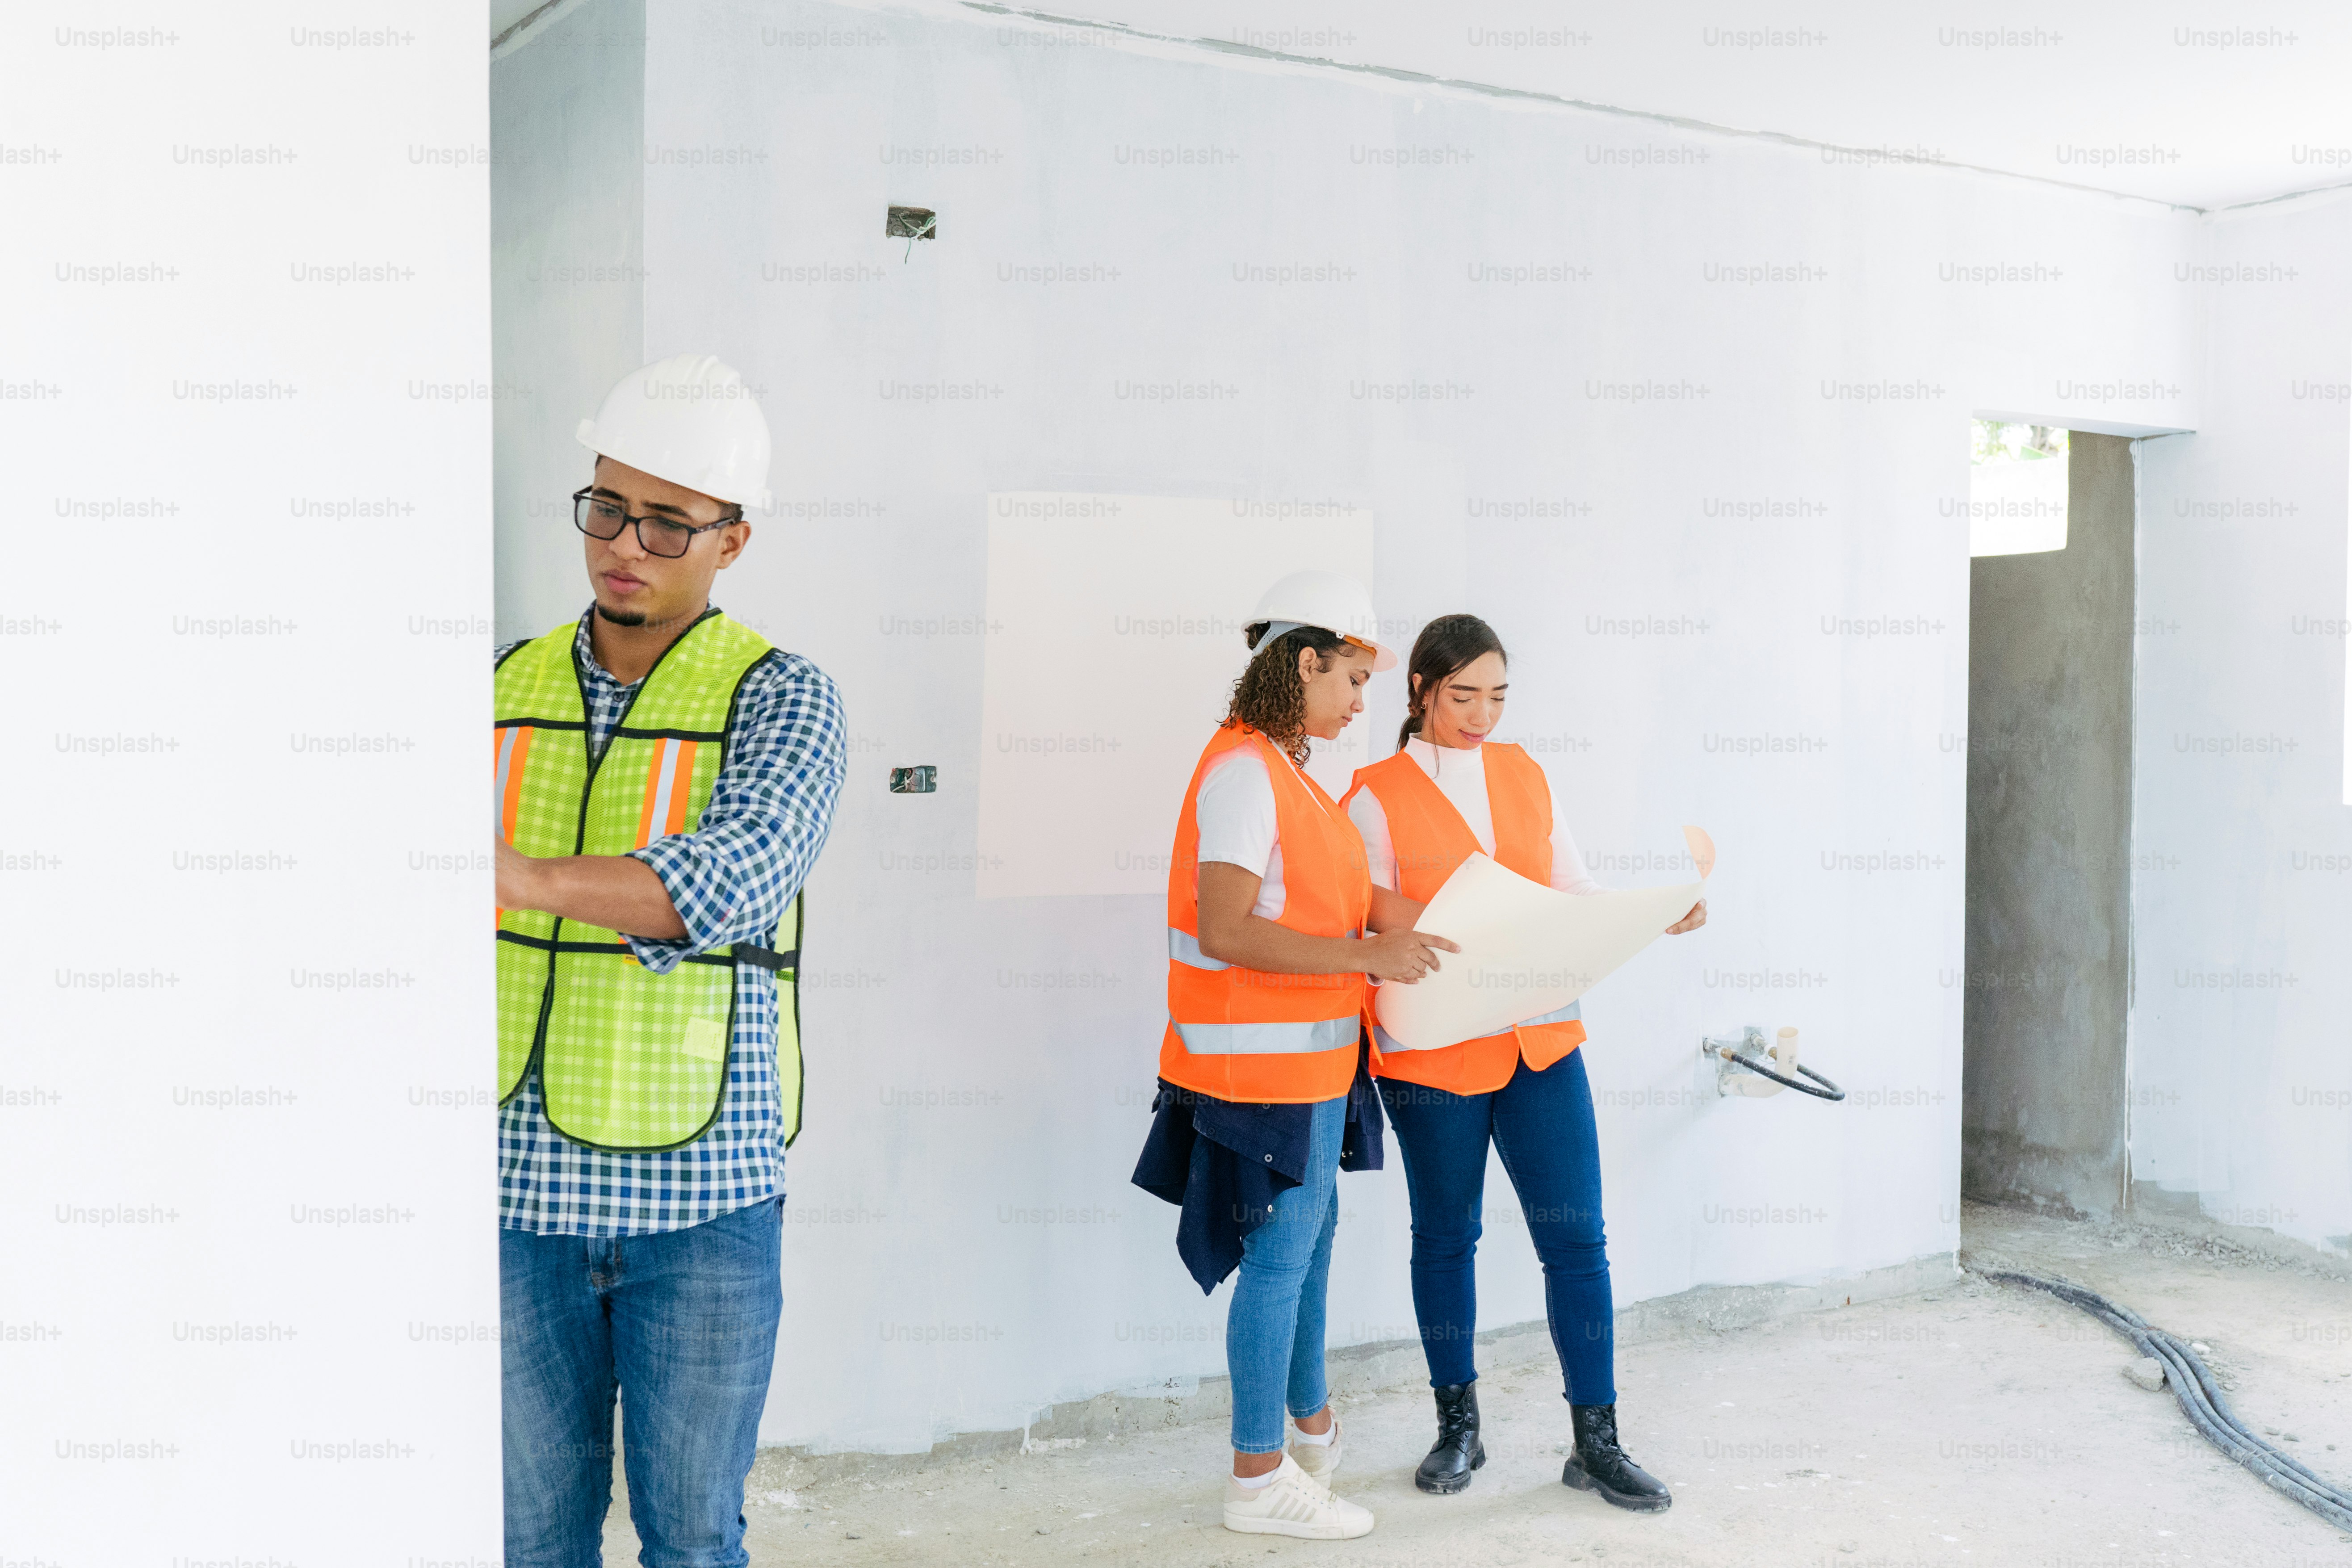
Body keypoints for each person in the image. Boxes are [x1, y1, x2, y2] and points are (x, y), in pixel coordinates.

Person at [491, 354, 847, 1565]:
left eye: (664, 520)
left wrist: (520, 875)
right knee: (530, 1536)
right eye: (606, 507)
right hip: (509, 1191)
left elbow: (741, 871)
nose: (622, 543)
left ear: (731, 540)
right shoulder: (499, 686)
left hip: (698, 1197)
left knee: (692, 1536)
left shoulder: (782, 697)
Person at [1341, 613, 1704, 1511]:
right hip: (1432, 1049)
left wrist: (1654, 911)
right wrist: (1440, 915)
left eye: (1497, 696)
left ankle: (1596, 1441)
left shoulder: (1525, 772)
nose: (1481, 715)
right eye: (1463, 695)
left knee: (1576, 1242)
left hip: (1539, 1042)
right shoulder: (1370, 794)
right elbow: (1358, 913)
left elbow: (1573, 896)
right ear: (1421, 689)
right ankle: (1456, 1427)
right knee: (1445, 1238)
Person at [1133, 570, 1457, 1541]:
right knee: (1278, 1263)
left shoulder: (1291, 776)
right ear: (1305, 660)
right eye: (1352, 679)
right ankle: (1255, 1478)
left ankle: (1307, 1434)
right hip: (1255, 1072)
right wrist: (1367, 955)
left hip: (1312, 1065)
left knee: (1308, 1253)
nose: (1363, 704)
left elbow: (1356, 910)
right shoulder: (1243, 773)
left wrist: (1492, 925)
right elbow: (1228, 928)